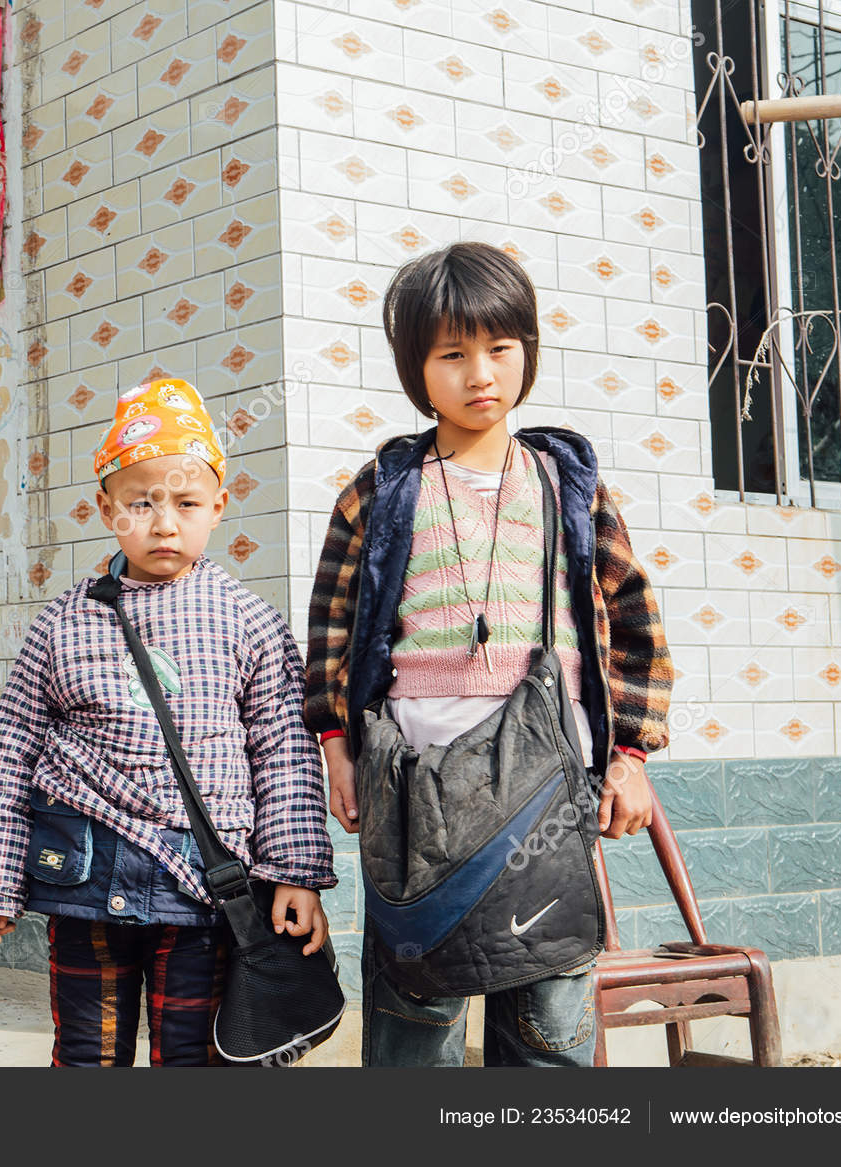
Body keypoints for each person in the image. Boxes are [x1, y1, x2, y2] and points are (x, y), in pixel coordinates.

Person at [303, 241, 675, 1067]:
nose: (481, 373)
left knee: (549, 1022)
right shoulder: (382, 490)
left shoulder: (567, 486)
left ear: (528, 351)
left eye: (501, 348)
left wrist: (631, 757)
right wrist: (335, 744)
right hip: (416, 793)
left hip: (547, 791)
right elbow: (332, 623)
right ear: (415, 368)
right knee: (415, 1021)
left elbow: (637, 623)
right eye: (453, 354)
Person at [0, 377, 337, 1067]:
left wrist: (295, 873)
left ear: (218, 507)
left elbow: (285, 755)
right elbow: (11, 752)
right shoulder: (62, 623)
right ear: (106, 508)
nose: (164, 522)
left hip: (203, 889)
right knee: (85, 1054)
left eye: (186, 502)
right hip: (85, 879)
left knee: (191, 1056)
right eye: (141, 502)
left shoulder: (248, 621)